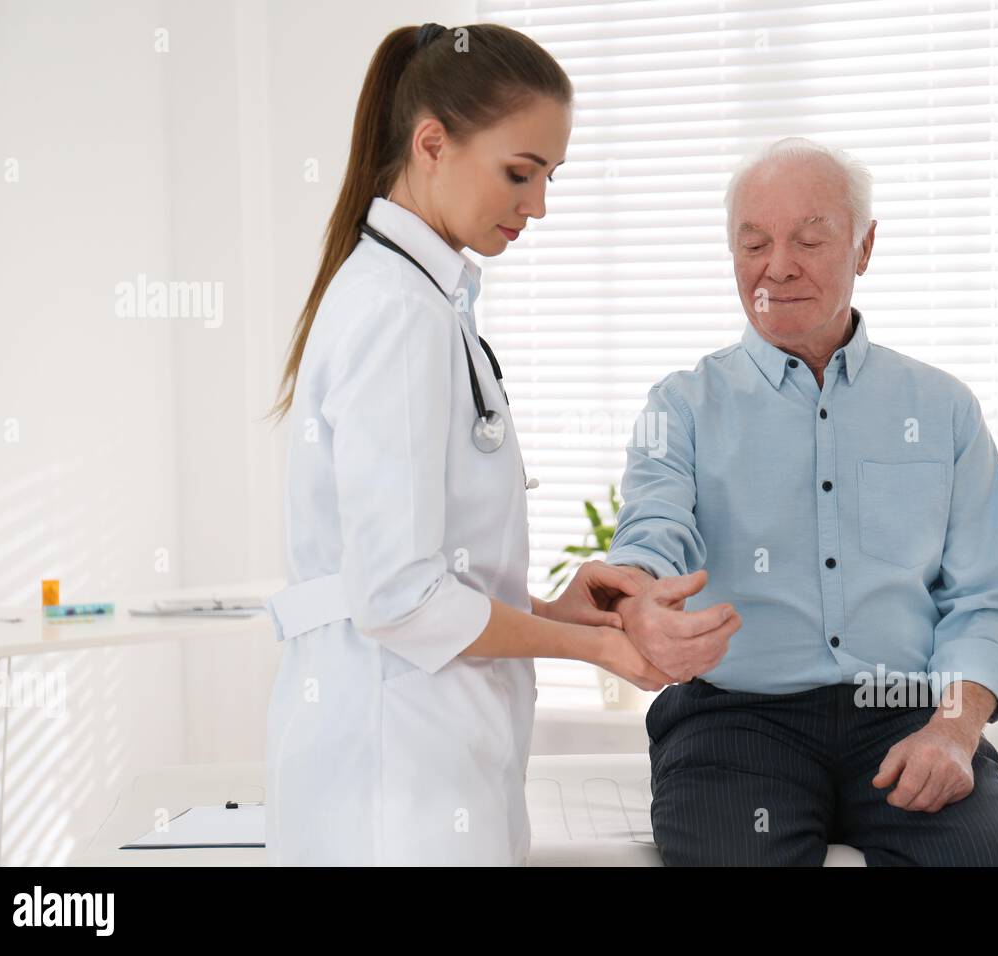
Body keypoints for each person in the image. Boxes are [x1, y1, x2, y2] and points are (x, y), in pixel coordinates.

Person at [262, 22, 741, 866]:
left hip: (431, 757)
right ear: (432, 143)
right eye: (519, 174)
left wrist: (555, 607)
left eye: (550, 177)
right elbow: (399, 600)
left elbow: (427, 575)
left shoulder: (423, 300)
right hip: (394, 776)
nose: (538, 206)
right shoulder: (398, 315)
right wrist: (596, 645)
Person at [606, 138, 998, 866]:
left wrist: (953, 732)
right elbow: (654, 531)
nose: (778, 266)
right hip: (736, 719)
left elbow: (985, 601)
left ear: (865, 247)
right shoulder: (681, 405)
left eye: (810, 239)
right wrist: (641, 597)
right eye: (754, 243)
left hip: (902, 711)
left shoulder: (942, 409)